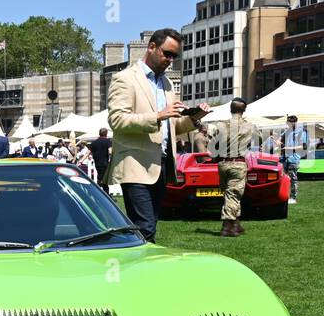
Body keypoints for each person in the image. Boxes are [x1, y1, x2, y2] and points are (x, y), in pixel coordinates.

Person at [106, 27, 208, 242]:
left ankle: (138, 267)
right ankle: (141, 271)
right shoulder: (124, 78)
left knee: (149, 225)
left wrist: (194, 118)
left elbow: (170, 127)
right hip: (134, 164)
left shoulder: (167, 83)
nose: (170, 60)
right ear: (151, 47)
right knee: (145, 228)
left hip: (161, 165)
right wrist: (158, 116)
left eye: (175, 56)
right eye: (167, 53)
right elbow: (117, 120)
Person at [218, 98, 251, 237]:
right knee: (234, 193)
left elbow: (213, 140)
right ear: (243, 110)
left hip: (222, 164)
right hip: (238, 163)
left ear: (230, 109)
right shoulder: (248, 126)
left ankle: (236, 223)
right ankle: (227, 226)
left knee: (229, 193)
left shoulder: (220, 125)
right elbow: (260, 138)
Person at [281, 115, 308, 205]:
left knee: (293, 179)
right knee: (283, 179)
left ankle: (293, 197)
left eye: (288, 123)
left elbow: (303, 146)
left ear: (294, 123)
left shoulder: (302, 131)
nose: (287, 125)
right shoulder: (287, 131)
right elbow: (281, 141)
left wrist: (289, 148)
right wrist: (277, 142)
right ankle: (284, 196)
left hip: (294, 158)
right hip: (284, 158)